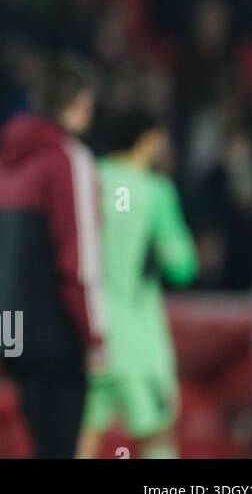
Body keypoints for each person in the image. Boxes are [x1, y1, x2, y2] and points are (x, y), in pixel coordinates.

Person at [0, 55, 106, 458]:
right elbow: (79, 260)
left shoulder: (1, 160)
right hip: (58, 332)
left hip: (11, 330)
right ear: (80, 102)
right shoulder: (68, 159)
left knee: (42, 445)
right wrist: (94, 335)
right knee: (62, 447)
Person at [77, 110, 197, 459]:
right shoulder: (154, 192)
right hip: (138, 341)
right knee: (156, 438)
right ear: (147, 139)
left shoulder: (86, 181)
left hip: (89, 336)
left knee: (84, 437)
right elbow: (182, 266)